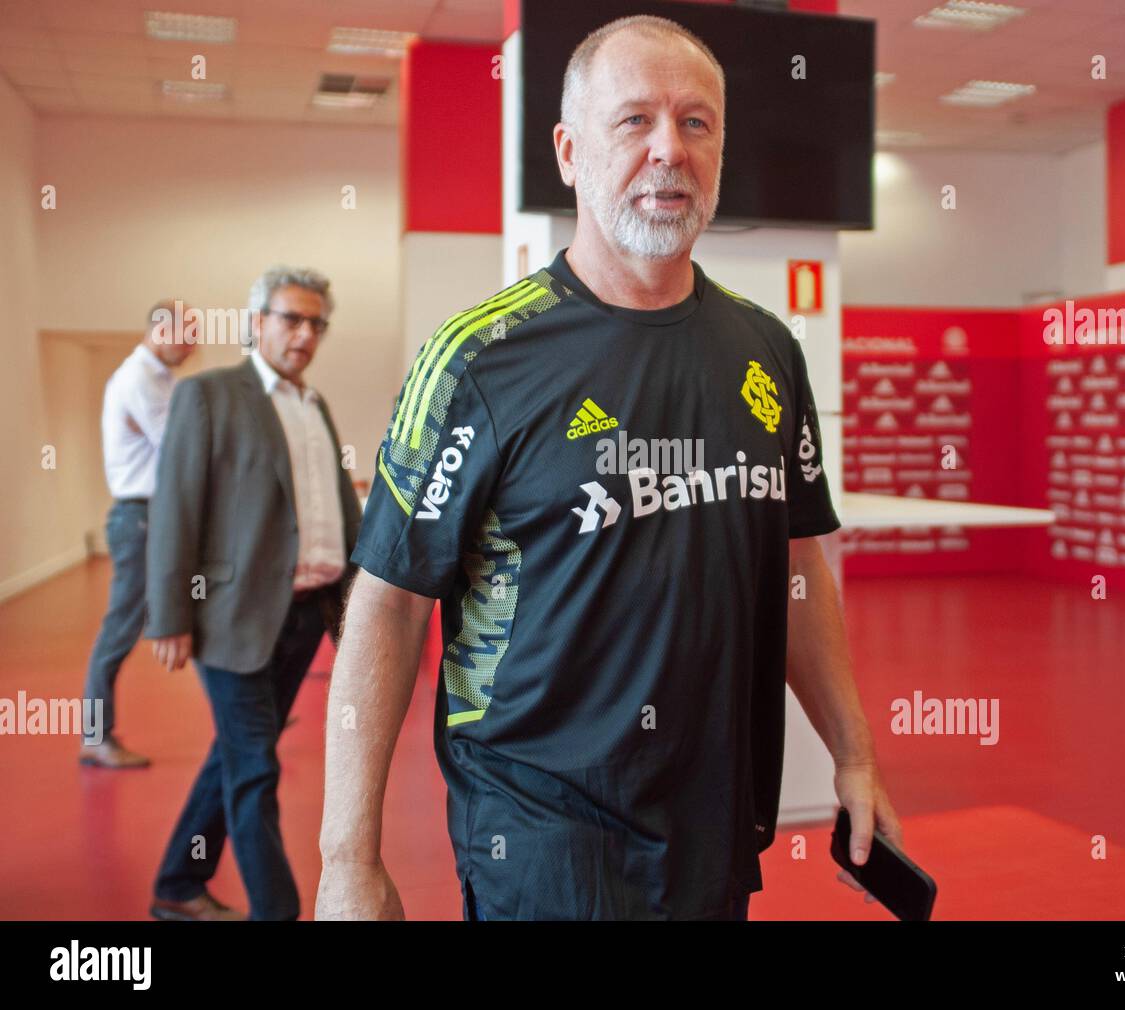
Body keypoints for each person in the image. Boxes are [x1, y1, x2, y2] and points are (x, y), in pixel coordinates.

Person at [317, 14, 900, 921]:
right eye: (634, 121)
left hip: (711, 833)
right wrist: (347, 858)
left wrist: (854, 756)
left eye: (696, 122)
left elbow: (797, 571)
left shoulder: (767, 350)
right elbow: (389, 605)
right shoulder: (480, 361)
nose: (670, 147)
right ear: (568, 150)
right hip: (540, 842)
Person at [145, 267, 361, 921]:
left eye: (315, 323)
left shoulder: (312, 403)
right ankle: (279, 911)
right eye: (290, 318)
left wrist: (353, 603)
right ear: (256, 322)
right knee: (256, 771)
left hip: (304, 616)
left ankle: (179, 882)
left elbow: (332, 510)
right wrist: (169, 614)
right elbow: (176, 508)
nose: (304, 334)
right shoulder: (209, 396)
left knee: (238, 755)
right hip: (232, 618)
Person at [79, 300, 197, 770]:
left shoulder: (160, 378)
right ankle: (95, 736)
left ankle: (248, 713)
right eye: (187, 334)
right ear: (161, 330)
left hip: (156, 516)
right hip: (140, 518)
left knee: (199, 615)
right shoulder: (140, 378)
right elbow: (178, 447)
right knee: (120, 629)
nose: (193, 346)